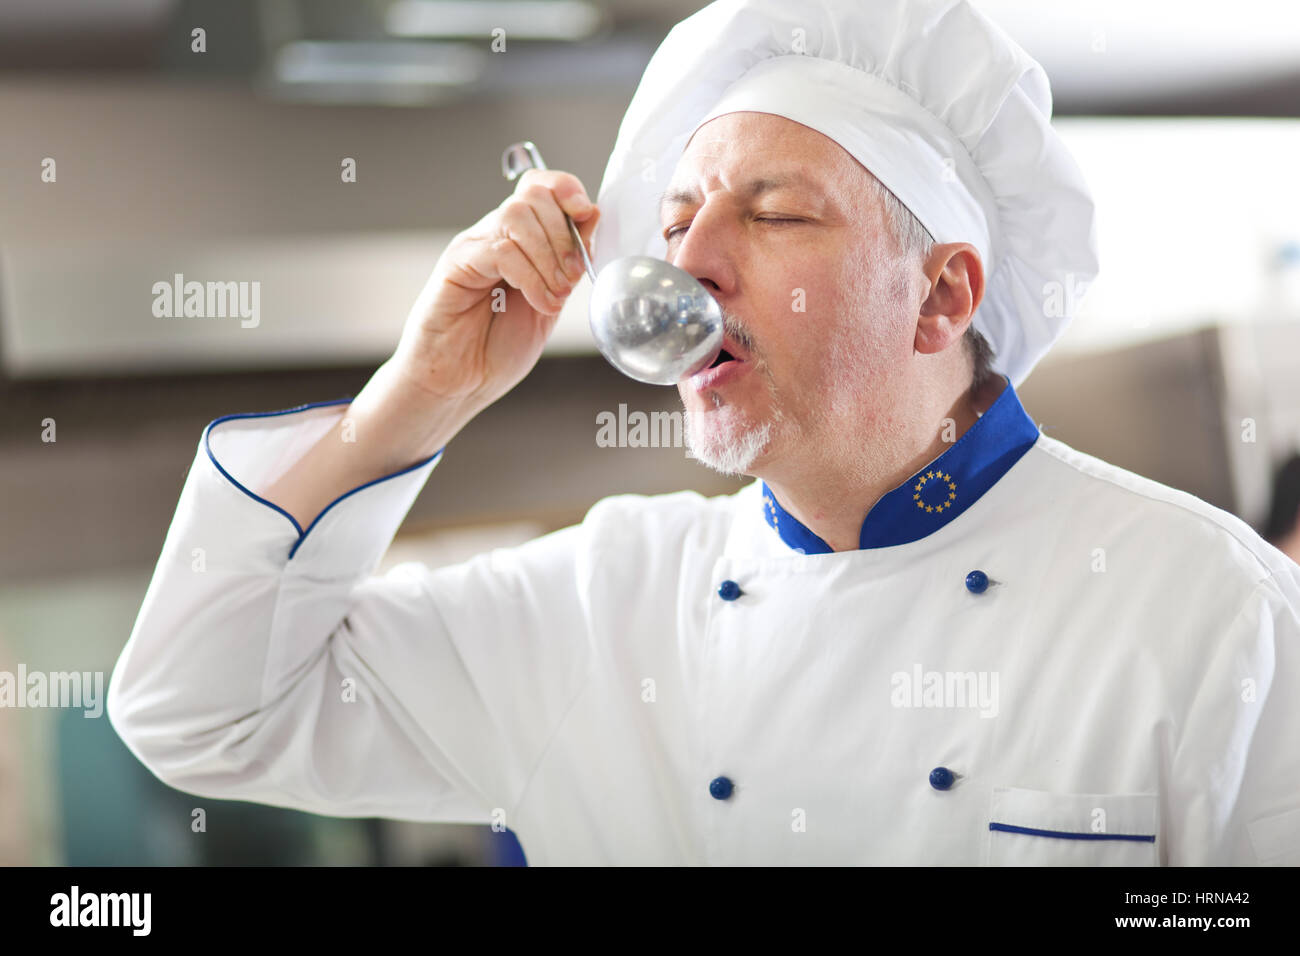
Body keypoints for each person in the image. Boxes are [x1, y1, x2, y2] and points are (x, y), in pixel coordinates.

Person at [107, 0, 1300, 865]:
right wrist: (413, 399)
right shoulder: (598, 603)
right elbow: (196, 710)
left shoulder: (1210, 611)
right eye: (674, 222)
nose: (688, 263)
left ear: (941, 296)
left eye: (774, 211)